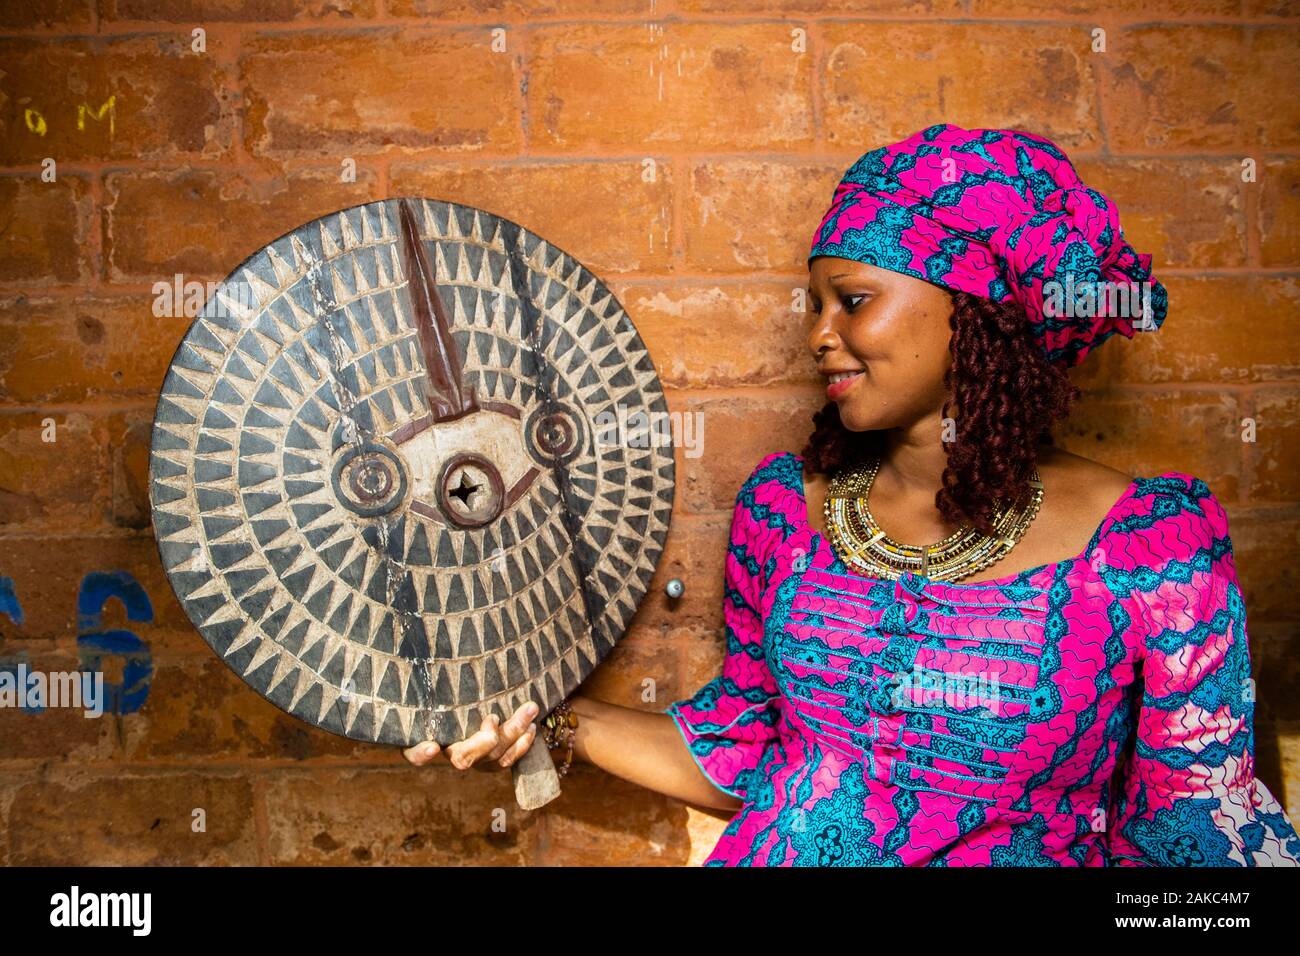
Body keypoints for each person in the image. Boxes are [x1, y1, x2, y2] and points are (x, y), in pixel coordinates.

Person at [403, 123, 1300, 867]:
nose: (818, 337)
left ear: (975, 311)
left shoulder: (1152, 546)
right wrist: (555, 720)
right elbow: (748, 754)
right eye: (812, 305)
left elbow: (1200, 845)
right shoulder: (786, 515)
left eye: (853, 300)